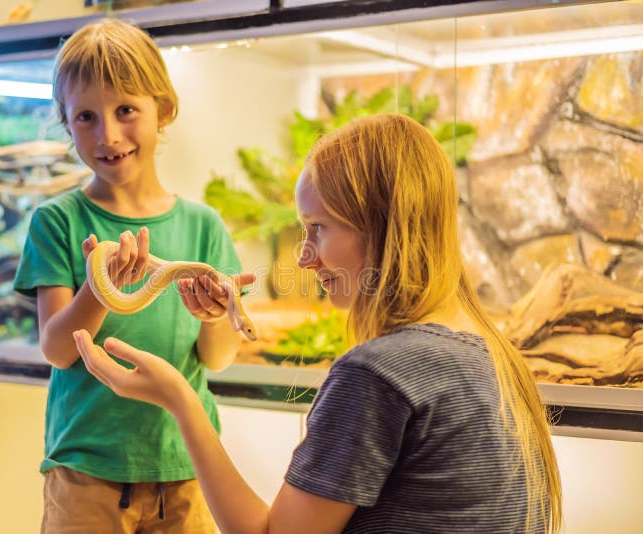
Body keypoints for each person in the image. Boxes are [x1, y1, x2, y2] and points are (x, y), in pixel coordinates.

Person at [74, 113, 564, 533]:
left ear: (379, 225)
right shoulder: (492, 353)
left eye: (318, 229)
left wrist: (179, 399)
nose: (304, 257)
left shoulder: (379, 373)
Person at [14, 18, 253, 533]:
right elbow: (57, 349)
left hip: (187, 467)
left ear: (163, 110)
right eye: (86, 117)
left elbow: (218, 356)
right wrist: (101, 288)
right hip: (85, 472)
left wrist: (216, 315)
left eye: (126, 110)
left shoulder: (203, 226)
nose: (109, 134)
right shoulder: (57, 222)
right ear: (66, 122)